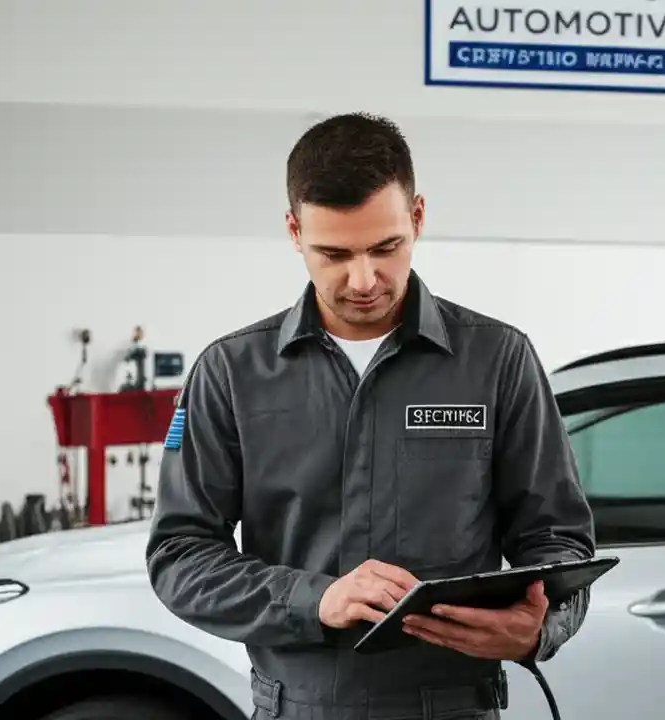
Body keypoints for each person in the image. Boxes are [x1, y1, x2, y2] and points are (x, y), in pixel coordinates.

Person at [145, 112, 596, 720]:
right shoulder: (230, 373)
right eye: (334, 253)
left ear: (417, 218)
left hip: (452, 707)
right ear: (293, 231)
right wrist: (315, 598)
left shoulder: (498, 360)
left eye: (386, 248)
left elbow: (559, 540)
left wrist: (540, 627)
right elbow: (182, 555)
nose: (364, 280)